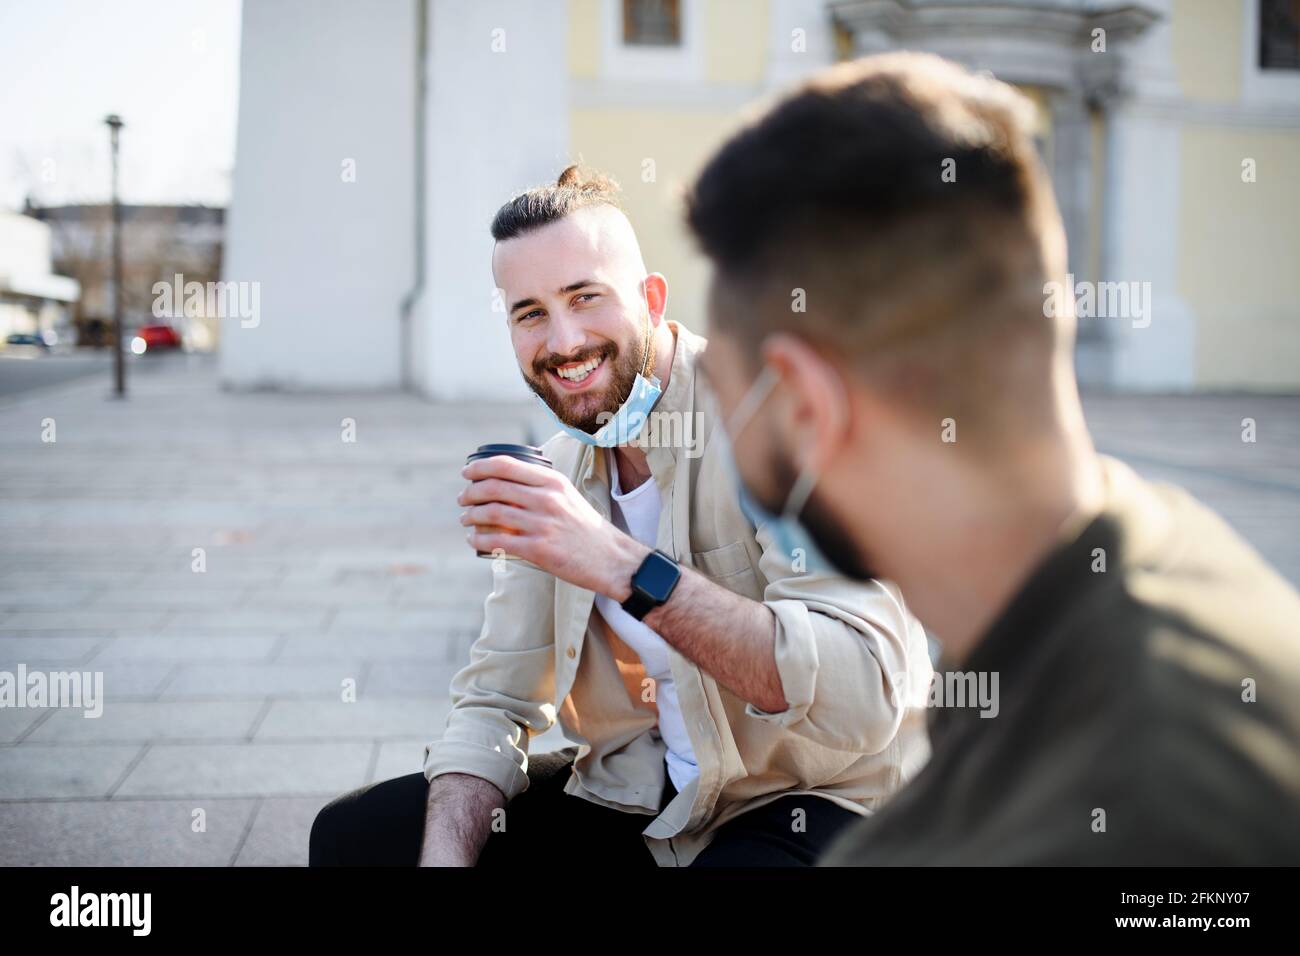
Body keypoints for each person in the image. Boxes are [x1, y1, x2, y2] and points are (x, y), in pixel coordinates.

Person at [684, 51, 1300, 865]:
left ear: (805, 406)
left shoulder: (1084, 824)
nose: (717, 426)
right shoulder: (1176, 567)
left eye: (719, 389)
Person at [310, 165, 933, 867]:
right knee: (355, 837)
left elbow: (868, 696)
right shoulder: (559, 468)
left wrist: (614, 561)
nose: (565, 340)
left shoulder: (778, 424)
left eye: (586, 297)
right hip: (646, 794)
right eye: (531, 312)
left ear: (651, 298)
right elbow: (495, 700)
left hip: (811, 797)